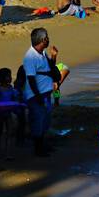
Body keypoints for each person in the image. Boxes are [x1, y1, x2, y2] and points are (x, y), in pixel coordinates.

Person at [23, 28, 57, 157]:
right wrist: (38, 97)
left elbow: (50, 67)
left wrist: (53, 55)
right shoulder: (30, 57)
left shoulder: (42, 53)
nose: (48, 39)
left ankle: (42, 146)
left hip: (45, 95)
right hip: (36, 96)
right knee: (38, 122)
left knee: (45, 122)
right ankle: (38, 150)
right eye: (47, 37)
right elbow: (31, 79)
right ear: (42, 40)